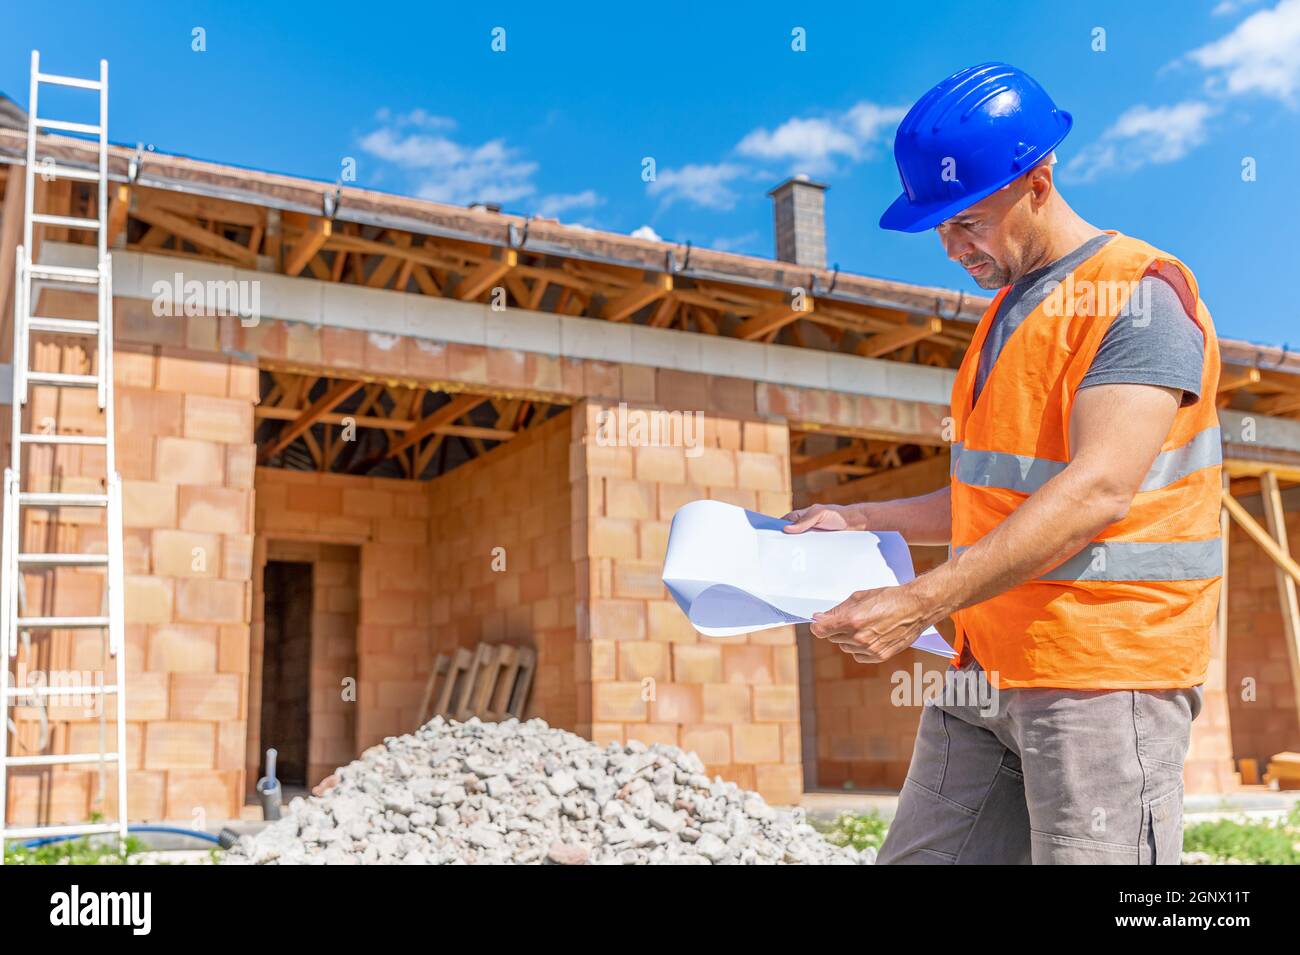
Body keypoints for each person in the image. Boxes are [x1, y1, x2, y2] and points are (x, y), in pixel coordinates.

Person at [783, 63, 1221, 864]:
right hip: (986, 666)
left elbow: (1095, 491)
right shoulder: (1007, 313)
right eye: (939, 229)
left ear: (1039, 180)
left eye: (967, 223)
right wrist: (864, 518)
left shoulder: (1139, 295)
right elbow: (995, 496)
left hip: (1100, 674)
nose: (952, 248)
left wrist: (919, 599)